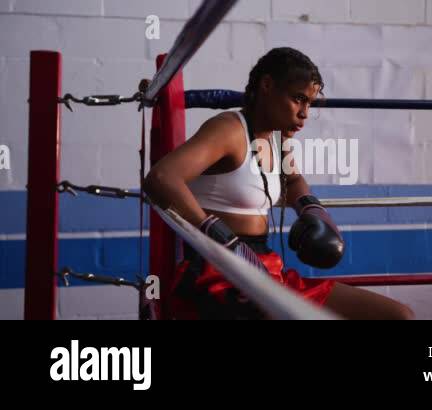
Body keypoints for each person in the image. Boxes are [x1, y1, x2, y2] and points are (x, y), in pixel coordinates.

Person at [144, 47, 415, 320]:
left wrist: (311, 209)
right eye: (298, 99)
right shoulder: (228, 129)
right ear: (267, 85)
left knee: (397, 316)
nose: (305, 113)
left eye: (309, 103)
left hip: (266, 270)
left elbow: (292, 179)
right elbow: (162, 178)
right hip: (218, 272)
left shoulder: (278, 138)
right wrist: (218, 235)